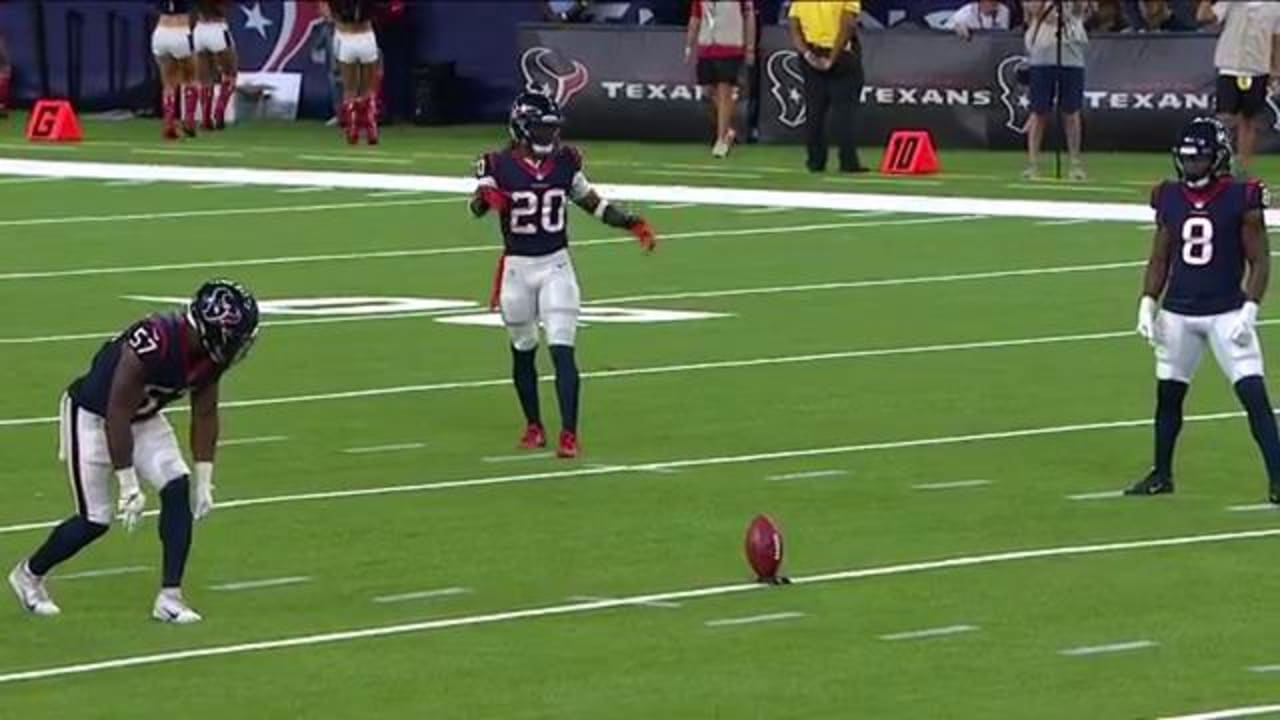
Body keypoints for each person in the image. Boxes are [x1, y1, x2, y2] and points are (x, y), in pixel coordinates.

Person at [9, 280, 260, 622]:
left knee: (176, 484)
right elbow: (117, 412)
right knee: (95, 519)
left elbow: (205, 412)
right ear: (209, 330)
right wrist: (128, 484)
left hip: (142, 416)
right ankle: (28, 575)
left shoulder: (210, 355)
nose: (240, 345)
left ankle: (170, 597)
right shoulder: (154, 341)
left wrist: (205, 477)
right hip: (94, 417)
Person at [470, 92, 657, 459]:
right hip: (516, 271)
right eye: (541, 127)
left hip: (556, 265)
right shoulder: (495, 163)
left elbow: (592, 202)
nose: (548, 135)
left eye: (551, 128)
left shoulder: (566, 162)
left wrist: (630, 222)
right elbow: (476, 205)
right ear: (522, 127)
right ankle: (534, 425)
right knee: (523, 349)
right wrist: (487, 198)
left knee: (562, 349)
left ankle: (569, 433)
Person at [1131, 117, 1280, 502]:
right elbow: (1160, 256)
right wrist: (1148, 301)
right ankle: (1162, 473)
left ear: (1217, 159)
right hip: (1178, 313)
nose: (1192, 166)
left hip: (1226, 312)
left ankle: (1278, 478)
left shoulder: (1241, 196)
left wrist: (1250, 309)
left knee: (1253, 395)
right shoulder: (1168, 196)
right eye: (1188, 159)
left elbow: (1260, 260)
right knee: (1168, 396)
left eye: (1199, 160)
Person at [1197, 0, 1280, 178]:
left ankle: (1243, 168)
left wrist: (1275, 68)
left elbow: (1276, 38)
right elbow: (1204, 17)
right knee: (1224, 119)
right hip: (1230, 66)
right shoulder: (1230, 3)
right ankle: (1218, 163)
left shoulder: (1275, 7)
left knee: (1249, 121)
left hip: (1257, 68)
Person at [787, 0, 867, 173]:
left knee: (814, 111)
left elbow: (794, 27)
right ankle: (848, 161)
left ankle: (815, 161)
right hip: (842, 54)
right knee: (845, 113)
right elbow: (847, 25)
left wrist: (808, 55)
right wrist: (832, 57)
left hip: (812, 53)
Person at [1022, 0, 1089, 181]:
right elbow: (1038, 12)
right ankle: (1033, 164)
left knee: (1071, 111)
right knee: (1039, 111)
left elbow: (1079, 11)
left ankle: (1075, 163)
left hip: (1071, 54)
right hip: (1042, 55)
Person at [685, 0, 756, 157]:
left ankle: (721, 139)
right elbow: (695, 17)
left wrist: (750, 47)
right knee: (708, 91)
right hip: (706, 46)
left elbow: (749, 17)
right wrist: (689, 44)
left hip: (730, 45)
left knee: (725, 92)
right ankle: (727, 129)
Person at [324, 0, 380, 144]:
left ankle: (352, 127)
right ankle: (371, 127)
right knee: (369, 88)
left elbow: (328, 14)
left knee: (350, 89)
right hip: (366, 37)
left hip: (346, 36)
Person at [152, 0, 198, 139]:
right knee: (191, 78)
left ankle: (168, 123)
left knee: (168, 83)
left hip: (161, 32)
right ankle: (189, 121)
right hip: (181, 30)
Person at [193, 0, 237, 131]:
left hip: (199, 30)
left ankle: (206, 119)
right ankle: (219, 111)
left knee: (205, 79)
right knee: (230, 73)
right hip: (217, 29)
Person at [947, 0, 1012, 40]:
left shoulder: (1004, 11)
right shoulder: (965, 13)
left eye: (994, 1)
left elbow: (1003, 35)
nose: (992, 4)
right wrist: (956, 27)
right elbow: (946, 29)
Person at [0, 30, 10, 119]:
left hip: (2, 70)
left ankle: (2, 108)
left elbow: (4, 60)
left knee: (2, 87)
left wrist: (4, 73)